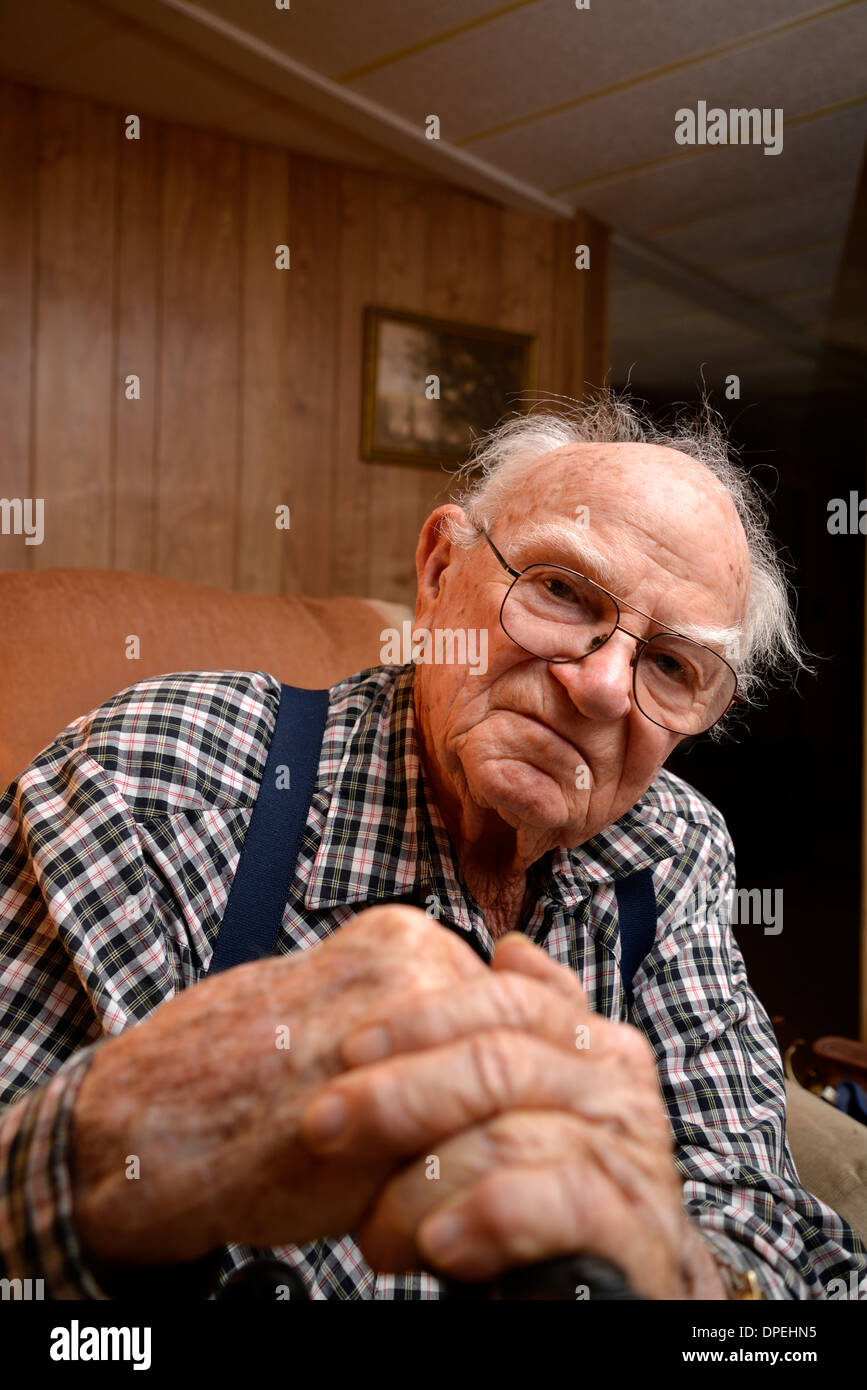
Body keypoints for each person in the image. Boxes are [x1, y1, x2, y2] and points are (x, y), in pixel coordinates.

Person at [1, 394, 864, 1300]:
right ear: (439, 568)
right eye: (563, 591)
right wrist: (116, 1141)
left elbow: (764, 1227)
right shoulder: (158, 780)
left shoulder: (672, 846)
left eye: (671, 665)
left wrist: (673, 1272)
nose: (604, 686)